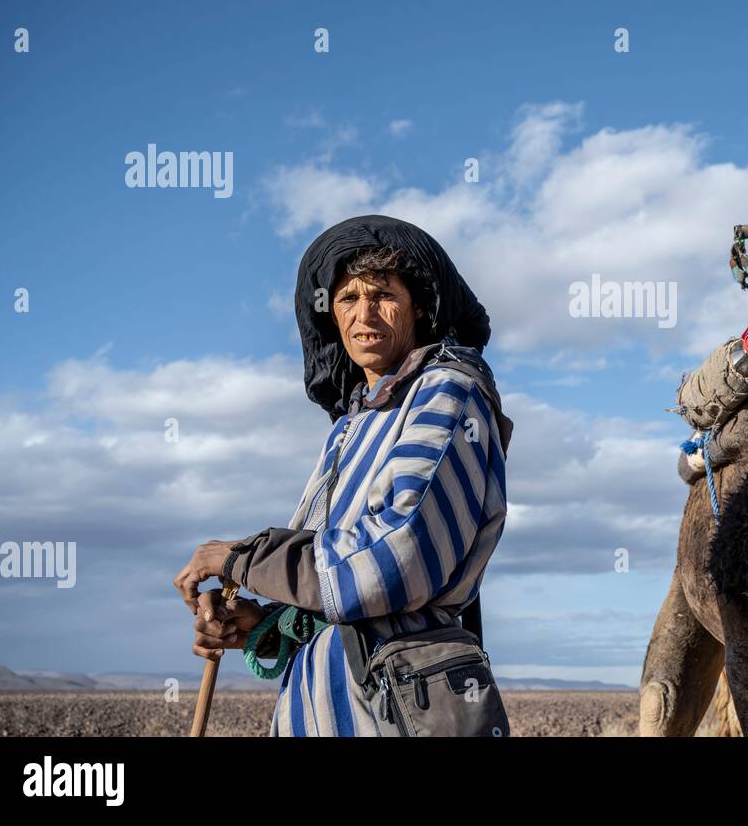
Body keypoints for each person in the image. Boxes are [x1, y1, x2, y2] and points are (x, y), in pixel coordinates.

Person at [172, 215, 512, 735]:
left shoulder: (446, 392)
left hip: (393, 714)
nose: (364, 313)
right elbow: (338, 591)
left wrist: (243, 558)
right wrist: (266, 625)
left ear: (419, 304)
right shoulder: (350, 427)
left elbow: (399, 558)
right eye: (347, 298)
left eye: (382, 294)